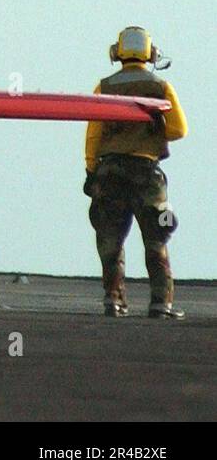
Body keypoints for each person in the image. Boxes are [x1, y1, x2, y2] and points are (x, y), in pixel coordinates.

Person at [84, 26, 188, 319]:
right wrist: (156, 129)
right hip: (146, 172)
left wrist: (92, 170)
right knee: (157, 236)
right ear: (151, 53)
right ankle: (160, 304)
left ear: (117, 53)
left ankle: (113, 301)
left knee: (110, 238)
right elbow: (180, 129)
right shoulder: (161, 87)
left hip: (110, 171)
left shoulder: (104, 86)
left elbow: (93, 134)